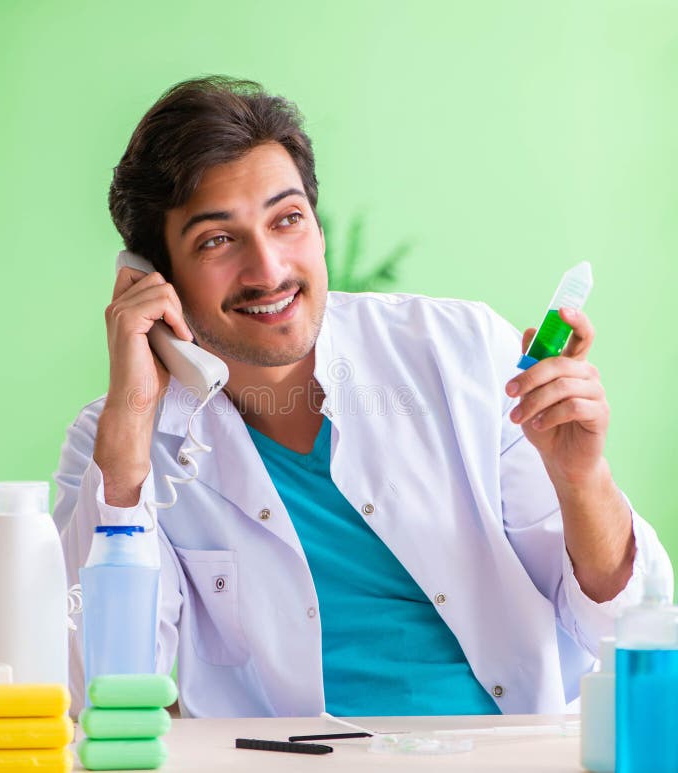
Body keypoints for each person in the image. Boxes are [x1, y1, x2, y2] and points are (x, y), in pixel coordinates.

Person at [54, 76, 672, 718]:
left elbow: (623, 626)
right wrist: (130, 425)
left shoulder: (462, 352)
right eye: (217, 240)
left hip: (503, 753)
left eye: (287, 220)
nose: (268, 270)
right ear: (155, 278)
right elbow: (97, 693)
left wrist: (581, 480)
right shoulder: (117, 445)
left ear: (317, 230)